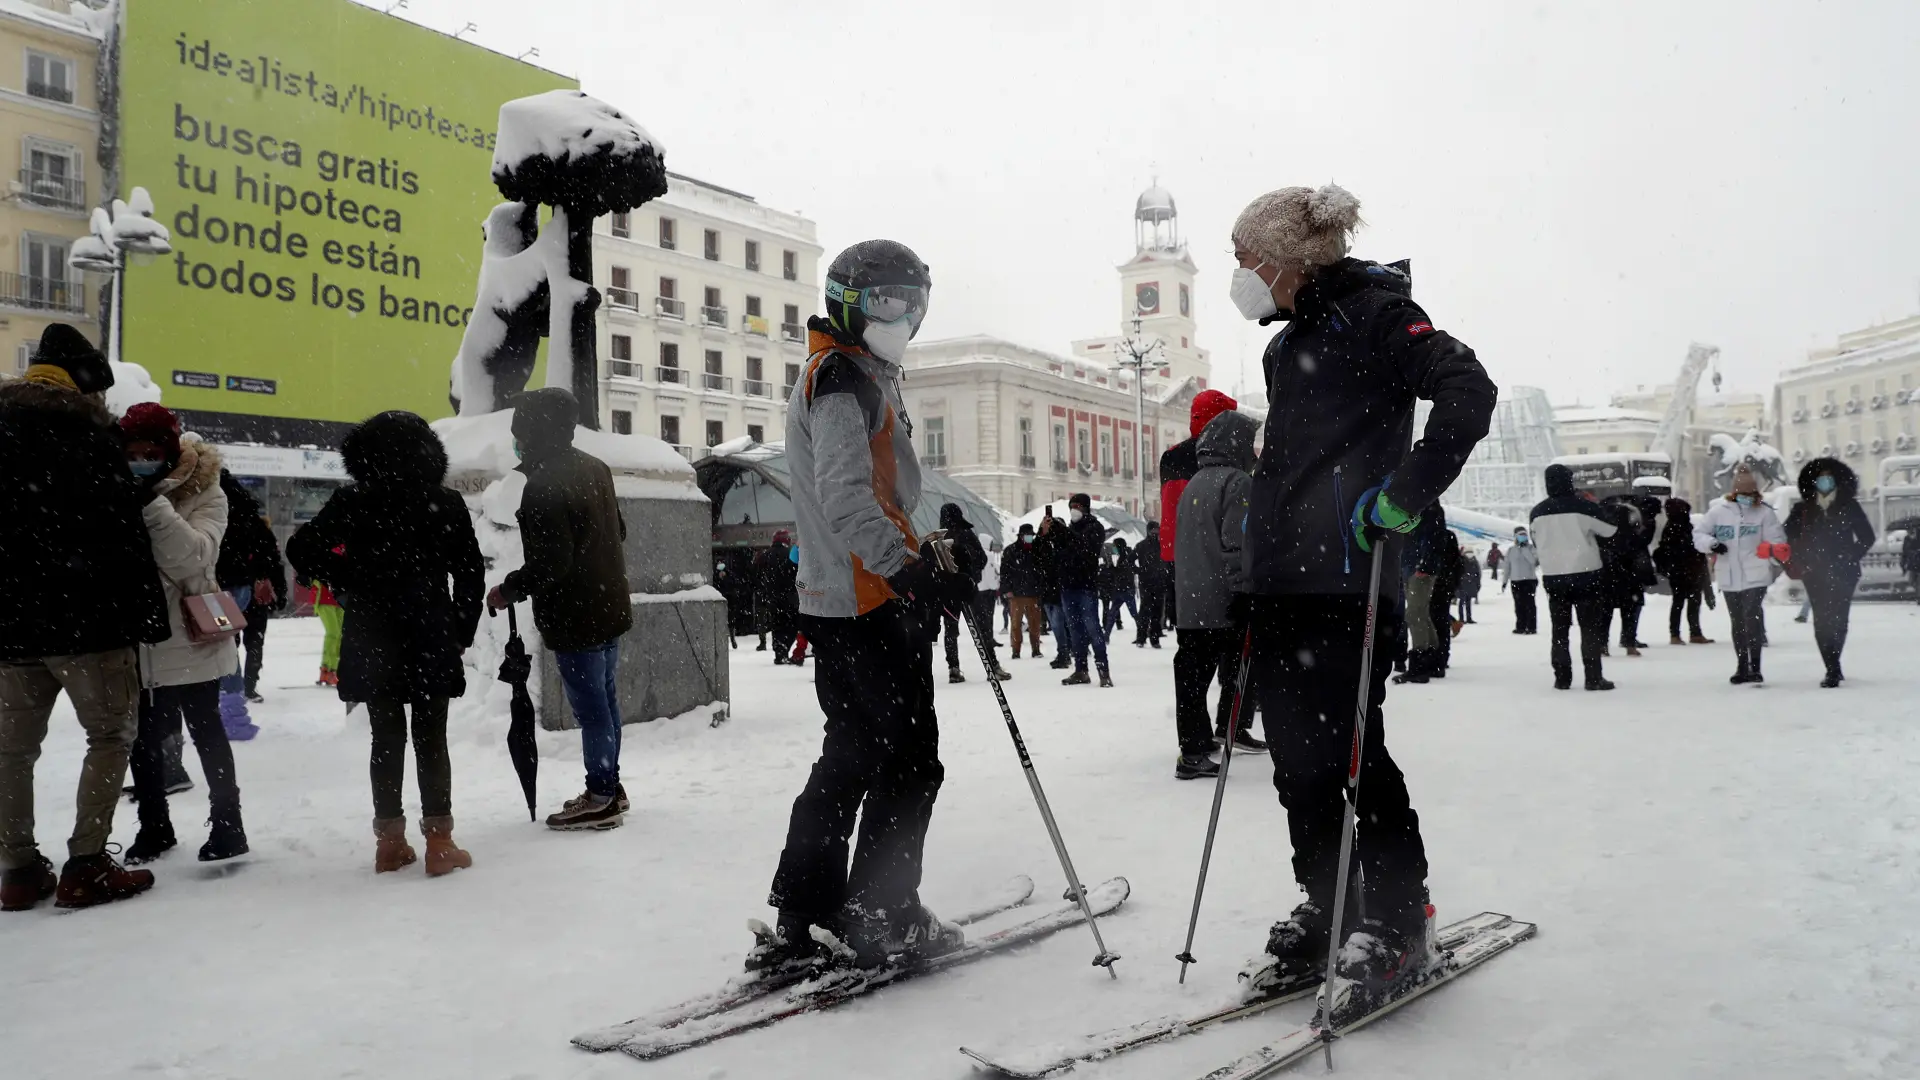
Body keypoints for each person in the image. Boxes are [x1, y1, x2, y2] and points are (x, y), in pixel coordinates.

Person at [1228, 183, 1496, 1002]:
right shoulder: (1285, 345)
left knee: (1350, 752)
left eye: (1245, 260)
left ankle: (1396, 917)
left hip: (1350, 576)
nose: (1239, 276)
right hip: (1281, 582)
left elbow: (1467, 389)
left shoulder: (1375, 313)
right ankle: (1332, 899)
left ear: (1287, 258)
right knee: (1299, 764)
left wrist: (1405, 493)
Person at [751, 239, 973, 974]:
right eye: (885, 302)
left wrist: (935, 543)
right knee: (910, 763)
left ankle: (806, 908)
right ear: (848, 300)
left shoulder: (853, 372)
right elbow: (846, 497)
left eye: (913, 303)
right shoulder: (843, 378)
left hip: (843, 599)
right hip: (868, 603)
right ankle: (880, 913)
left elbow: (877, 492)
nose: (901, 317)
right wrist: (907, 571)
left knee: (850, 756)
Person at [0, 325, 165, 910]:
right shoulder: (90, 441)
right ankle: (86, 863)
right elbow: (123, 543)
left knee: (12, 750)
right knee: (110, 732)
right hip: (88, 624)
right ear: (85, 385)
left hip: (11, 626)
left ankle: (17, 870)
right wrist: (145, 617)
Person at [289, 411, 483, 874]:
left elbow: (303, 548)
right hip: (430, 630)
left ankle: (389, 843)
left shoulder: (353, 500)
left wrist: (349, 577)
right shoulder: (445, 502)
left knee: (386, 736)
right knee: (432, 737)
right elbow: (470, 572)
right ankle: (440, 841)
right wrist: (460, 627)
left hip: (374, 632)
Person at [485, 388, 635, 830]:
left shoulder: (545, 483)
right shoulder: (595, 468)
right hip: (607, 607)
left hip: (577, 616)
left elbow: (552, 562)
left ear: (534, 433)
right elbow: (618, 531)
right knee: (605, 705)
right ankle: (611, 786)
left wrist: (508, 590)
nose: (517, 441)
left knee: (592, 711)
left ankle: (602, 796)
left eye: (520, 432)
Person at [109, 405, 247, 866]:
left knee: (206, 729)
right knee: (143, 740)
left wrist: (151, 503)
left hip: (191, 634)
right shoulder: (110, 488)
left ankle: (229, 824)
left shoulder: (205, 489)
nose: (141, 459)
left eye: (150, 451)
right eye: (132, 452)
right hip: (139, 636)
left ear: (168, 449)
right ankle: (155, 826)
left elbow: (194, 557)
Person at [1172, 409, 1265, 778]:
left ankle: (1193, 745)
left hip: (1191, 600)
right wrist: (1243, 590)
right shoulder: (1237, 482)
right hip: (1222, 598)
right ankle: (1223, 730)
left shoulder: (1194, 483)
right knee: (1236, 670)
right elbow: (1236, 544)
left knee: (1191, 677)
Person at [1783, 458, 1875, 687]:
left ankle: (1834, 663)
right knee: (1822, 620)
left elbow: (1867, 537)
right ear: (1813, 481)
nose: (1825, 481)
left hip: (1845, 572)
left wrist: (1850, 555)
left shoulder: (1850, 506)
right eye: (1821, 476)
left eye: (1829, 476)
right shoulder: (1802, 509)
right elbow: (1788, 536)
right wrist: (1803, 559)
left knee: (1840, 619)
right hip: (1814, 572)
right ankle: (1832, 667)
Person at [1692, 464, 1787, 685]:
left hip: (1756, 575)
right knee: (1738, 622)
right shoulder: (1718, 512)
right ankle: (1741, 666)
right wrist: (1712, 545)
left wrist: (1769, 550)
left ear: (1755, 492)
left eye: (1749, 493)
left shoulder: (1764, 512)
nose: (1745, 497)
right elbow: (1698, 534)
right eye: (1741, 493)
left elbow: (1778, 541)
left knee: (1751, 618)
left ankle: (1755, 667)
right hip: (1729, 577)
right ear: (1734, 492)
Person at [1531, 464, 1618, 691]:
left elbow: (1535, 541)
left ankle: (1562, 677)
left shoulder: (1537, 512)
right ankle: (1593, 677)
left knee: (1559, 629)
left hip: (1553, 576)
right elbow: (1610, 530)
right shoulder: (1584, 507)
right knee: (1589, 627)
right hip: (1586, 573)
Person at [214, 470, 283, 737]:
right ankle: (233, 713)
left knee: (219, 647)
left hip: (217, 591)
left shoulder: (208, 508)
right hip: (238, 589)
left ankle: (228, 715)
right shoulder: (246, 514)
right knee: (226, 645)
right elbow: (269, 553)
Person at [937, 502, 1006, 682]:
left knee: (951, 631)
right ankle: (992, 665)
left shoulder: (940, 538)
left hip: (949, 592)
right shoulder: (966, 534)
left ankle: (953, 668)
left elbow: (935, 568)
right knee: (982, 628)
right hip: (968, 589)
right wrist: (971, 576)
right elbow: (981, 558)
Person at [1054, 493, 1111, 687]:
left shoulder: (1095, 528)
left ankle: (1103, 671)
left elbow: (1085, 550)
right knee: (1075, 631)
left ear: (1086, 507)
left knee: (1093, 628)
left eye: (1077, 506)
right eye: (1072, 506)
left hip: (1086, 587)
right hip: (1068, 587)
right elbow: (1059, 556)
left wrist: (1064, 534)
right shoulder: (1069, 530)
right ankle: (1081, 670)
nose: (1074, 510)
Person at [1653, 498, 1712, 645]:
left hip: (1678, 571)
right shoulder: (1683, 527)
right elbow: (1693, 547)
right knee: (1692, 602)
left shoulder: (1671, 527)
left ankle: (1676, 634)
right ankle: (1694, 633)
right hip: (1689, 569)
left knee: (1679, 602)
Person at [1000, 524, 1045, 659]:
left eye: (1031, 535)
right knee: (1015, 624)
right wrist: (1007, 590)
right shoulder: (1011, 551)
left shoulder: (1037, 550)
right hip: (1016, 594)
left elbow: (1041, 572)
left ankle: (1036, 649)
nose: (1030, 538)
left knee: (1035, 624)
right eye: (1027, 535)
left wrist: (1041, 589)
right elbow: (1004, 572)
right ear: (1021, 536)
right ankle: (1016, 650)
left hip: (1033, 594)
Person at [1034, 510, 1071, 668]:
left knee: (1060, 624)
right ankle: (1065, 650)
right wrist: (1042, 533)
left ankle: (1065, 652)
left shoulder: (1065, 545)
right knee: (1057, 625)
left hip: (1061, 589)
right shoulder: (1044, 544)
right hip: (1048, 590)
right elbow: (1035, 554)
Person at [759, 530, 800, 664]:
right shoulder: (789, 554)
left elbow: (756, 576)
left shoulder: (764, 555)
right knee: (792, 625)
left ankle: (779, 651)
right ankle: (784, 647)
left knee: (777, 625)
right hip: (790, 596)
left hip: (772, 597)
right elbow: (796, 572)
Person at [1428, 512, 1461, 676]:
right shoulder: (1449, 536)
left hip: (1432, 583)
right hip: (1444, 585)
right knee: (1440, 621)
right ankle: (1441, 658)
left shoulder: (1428, 537)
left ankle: (1433, 657)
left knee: (1431, 621)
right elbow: (1457, 563)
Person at [1134, 522, 1168, 647]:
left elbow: (1168, 561)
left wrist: (1165, 574)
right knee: (1145, 612)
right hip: (1146, 584)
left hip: (1159, 583)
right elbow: (1129, 561)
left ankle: (1154, 639)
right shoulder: (1141, 546)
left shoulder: (1162, 545)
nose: (1155, 533)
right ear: (1148, 531)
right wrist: (1139, 571)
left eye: (1157, 530)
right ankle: (1141, 638)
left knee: (1157, 613)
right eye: (1153, 530)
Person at [1502, 527, 1540, 634]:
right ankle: (1521, 626)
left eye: (1524, 534)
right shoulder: (1511, 550)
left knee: (1530, 604)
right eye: (1520, 535)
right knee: (1518, 604)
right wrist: (1504, 581)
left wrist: (1524, 549)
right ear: (1515, 536)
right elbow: (1507, 567)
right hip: (1515, 581)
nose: (1523, 537)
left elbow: (1534, 562)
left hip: (1529, 580)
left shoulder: (1531, 548)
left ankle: (1531, 627)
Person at [1100, 538, 1138, 642]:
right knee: (1116, 614)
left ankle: (1143, 633)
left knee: (1128, 613)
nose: (1113, 548)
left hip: (1124, 589)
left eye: (1114, 545)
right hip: (1121, 590)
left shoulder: (1125, 557)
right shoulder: (1122, 556)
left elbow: (1122, 572)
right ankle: (1106, 636)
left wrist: (1110, 568)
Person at [1455, 548, 1481, 624]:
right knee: (1467, 601)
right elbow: (1477, 573)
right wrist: (1477, 583)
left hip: (1463, 583)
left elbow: (1457, 572)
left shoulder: (1461, 560)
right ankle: (1468, 618)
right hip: (1470, 583)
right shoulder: (1474, 561)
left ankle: (1462, 619)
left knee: (1463, 602)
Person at [1903, 525, 1920, 604]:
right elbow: (1907, 551)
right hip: (1914, 564)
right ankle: (1918, 595)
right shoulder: (1911, 540)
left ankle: (1918, 596)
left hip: (1915, 564)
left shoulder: (1913, 541)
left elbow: (1907, 551)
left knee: (1916, 581)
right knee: (1912, 581)